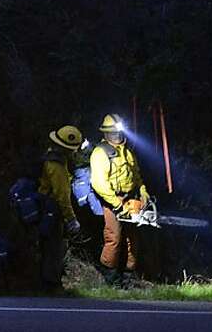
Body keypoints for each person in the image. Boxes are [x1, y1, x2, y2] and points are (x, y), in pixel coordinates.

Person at [90, 113, 149, 286]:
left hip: (131, 199)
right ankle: (109, 274)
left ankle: (129, 275)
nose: (117, 135)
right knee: (113, 237)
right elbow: (99, 183)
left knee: (132, 239)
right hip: (112, 200)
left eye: (118, 132)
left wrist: (143, 192)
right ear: (106, 133)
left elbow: (136, 176)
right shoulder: (100, 153)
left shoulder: (128, 153)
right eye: (113, 132)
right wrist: (117, 204)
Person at [36, 124, 83, 291]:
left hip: (46, 207)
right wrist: (71, 219)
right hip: (52, 209)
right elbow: (62, 195)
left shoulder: (51, 157)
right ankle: (51, 284)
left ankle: (49, 281)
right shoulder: (56, 165)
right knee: (54, 247)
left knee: (49, 246)